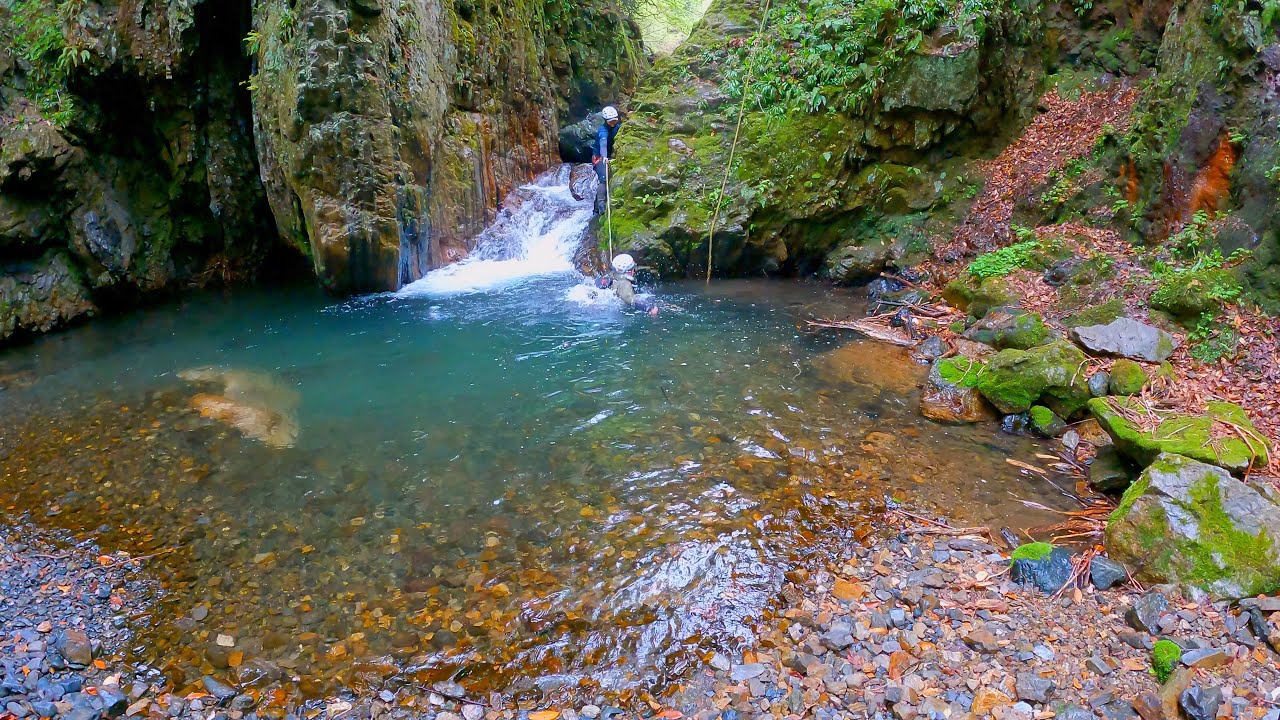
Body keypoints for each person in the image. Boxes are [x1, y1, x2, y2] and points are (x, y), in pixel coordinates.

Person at [593, 106, 621, 215]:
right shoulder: (603, 131)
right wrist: (604, 157)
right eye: (611, 122)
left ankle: (595, 209)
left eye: (615, 120)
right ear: (606, 121)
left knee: (608, 178)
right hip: (599, 157)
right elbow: (603, 145)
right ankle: (600, 205)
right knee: (604, 178)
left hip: (609, 157)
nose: (613, 123)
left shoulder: (618, 127)